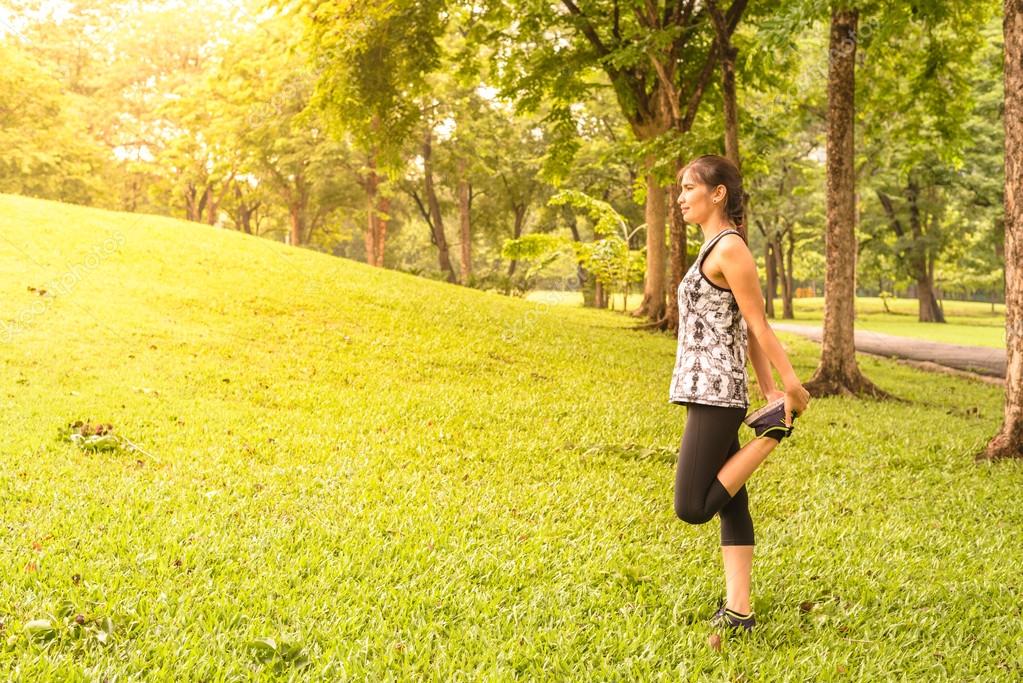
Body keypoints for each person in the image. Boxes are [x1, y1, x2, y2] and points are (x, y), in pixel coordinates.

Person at [667, 154, 811, 633]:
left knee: (691, 506)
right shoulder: (714, 248)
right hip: (706, 387)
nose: (682, 197)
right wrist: (767, 385)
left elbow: (758, 324)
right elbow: (740, 327)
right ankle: (739, 611)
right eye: (681, 189)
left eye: (690, 187)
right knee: (733, 503)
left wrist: (789, 385)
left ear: (718, 192)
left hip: (716, 391)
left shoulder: (730, 249)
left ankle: (772, 434)